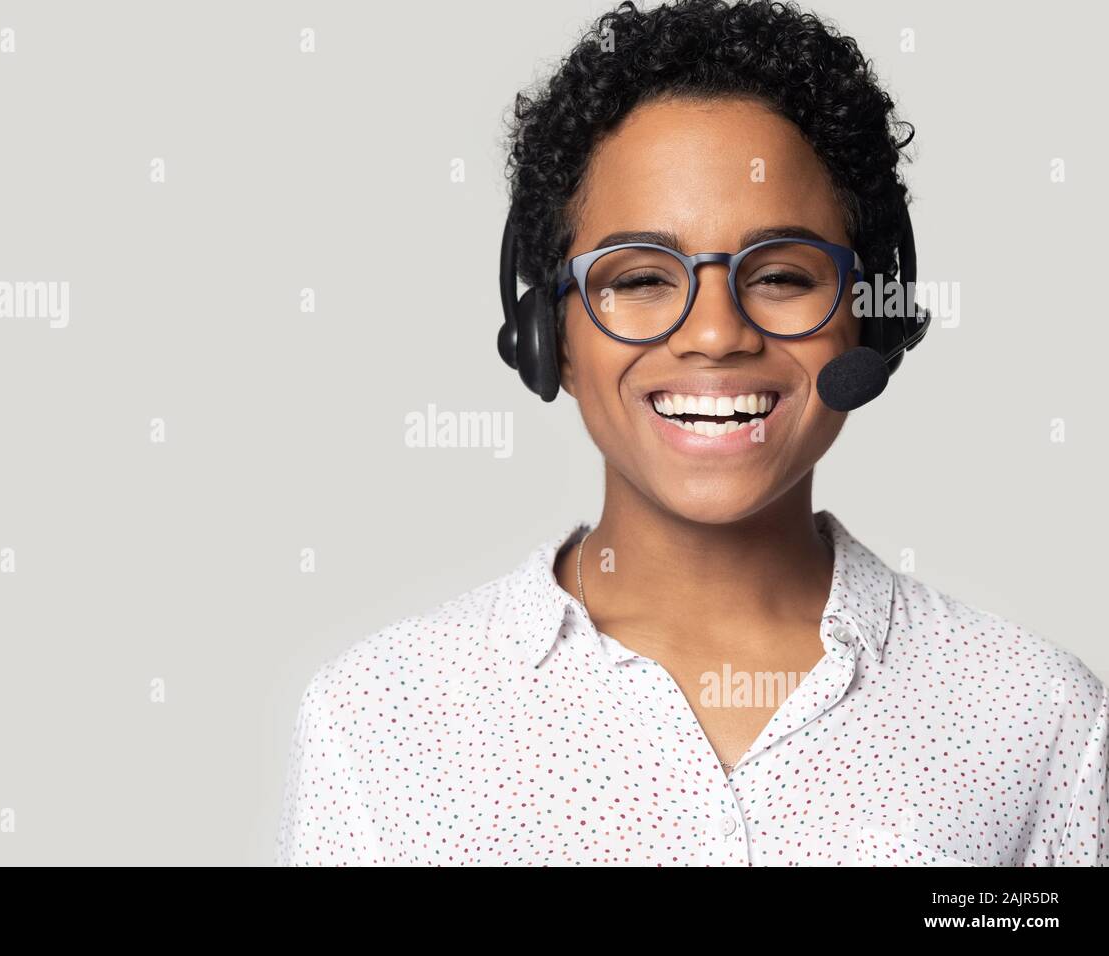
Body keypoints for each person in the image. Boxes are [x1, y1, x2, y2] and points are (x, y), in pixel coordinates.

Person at [275, 0, 1108, 866]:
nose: (715, 334)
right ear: (545, 332)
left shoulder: (1037, 718)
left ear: (869, 321)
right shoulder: (377, 718)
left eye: (782, 274)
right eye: (639, 278)